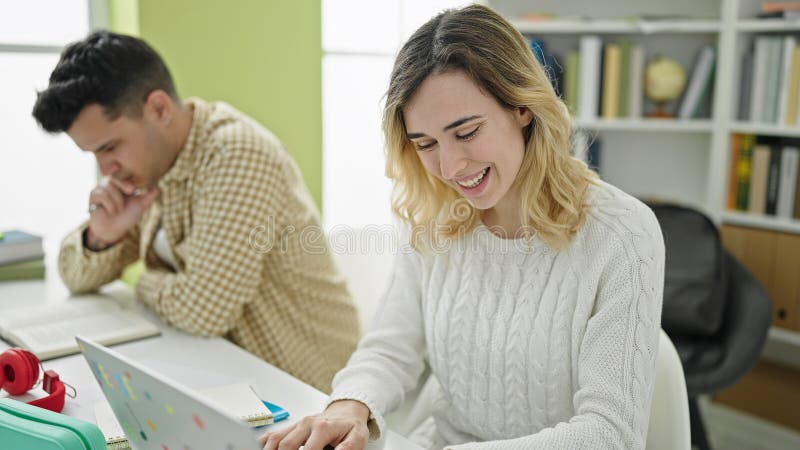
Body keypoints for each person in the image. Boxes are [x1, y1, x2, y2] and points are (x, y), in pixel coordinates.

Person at [261, 4, 664, 450]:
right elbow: (389, 349)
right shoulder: (436, 217)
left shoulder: (622, 234)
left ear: (521, 107)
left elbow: (610, 434)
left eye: (467, 132)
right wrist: (349, 405)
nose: (450, 167)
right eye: (426, 144)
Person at [31, 30, 360, 393]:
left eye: (109, 147)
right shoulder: (152, 168)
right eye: (93, 153)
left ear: (159, 108)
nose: (105, 168)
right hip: (229, 376)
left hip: (311, 390)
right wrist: (102, 237)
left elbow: (203, 312)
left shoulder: (235, 153)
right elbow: (75, 277)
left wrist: (138, 281)